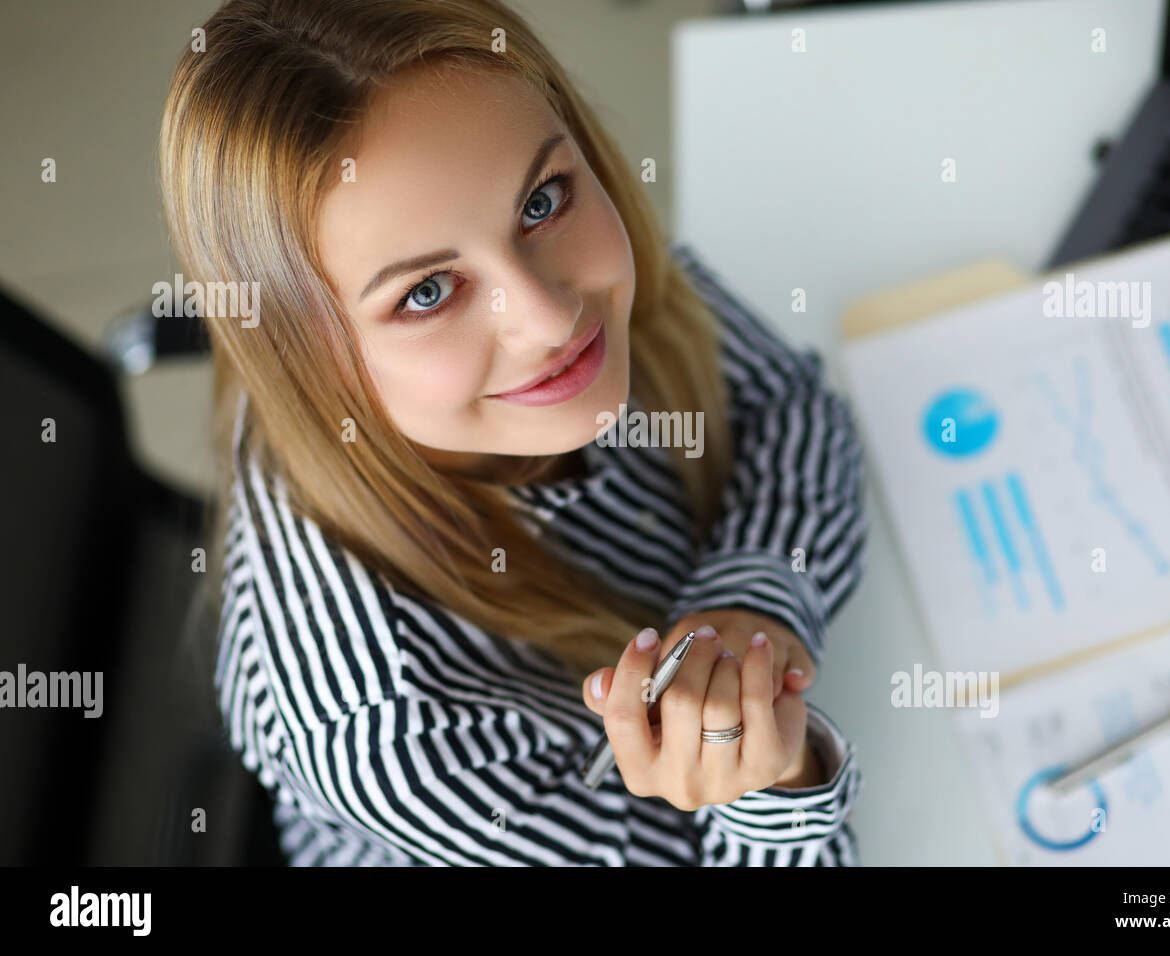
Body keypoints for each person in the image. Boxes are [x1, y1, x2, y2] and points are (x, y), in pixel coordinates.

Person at [161, 0, 869, 865]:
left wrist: (749, 612)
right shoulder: (388, 725)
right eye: (427, 292)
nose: (549, 316)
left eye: (542, 200)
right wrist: (777, 774)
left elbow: (794, 411)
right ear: (310, 357)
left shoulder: (557, 248)